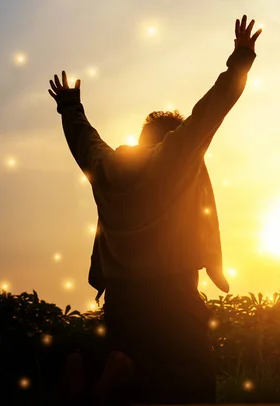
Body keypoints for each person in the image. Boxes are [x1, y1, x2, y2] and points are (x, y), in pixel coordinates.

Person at [49, 14, 262, 405]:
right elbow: (211, 110)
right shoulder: (178, 156)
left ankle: (93, 373)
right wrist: (241, 59)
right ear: (175, 138)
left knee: (127, 379)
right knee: (191, 382)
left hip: (121, 297)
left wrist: (69, 106)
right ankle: (123, 373)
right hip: (171, 292)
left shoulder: (105, 165)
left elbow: (84, 139)